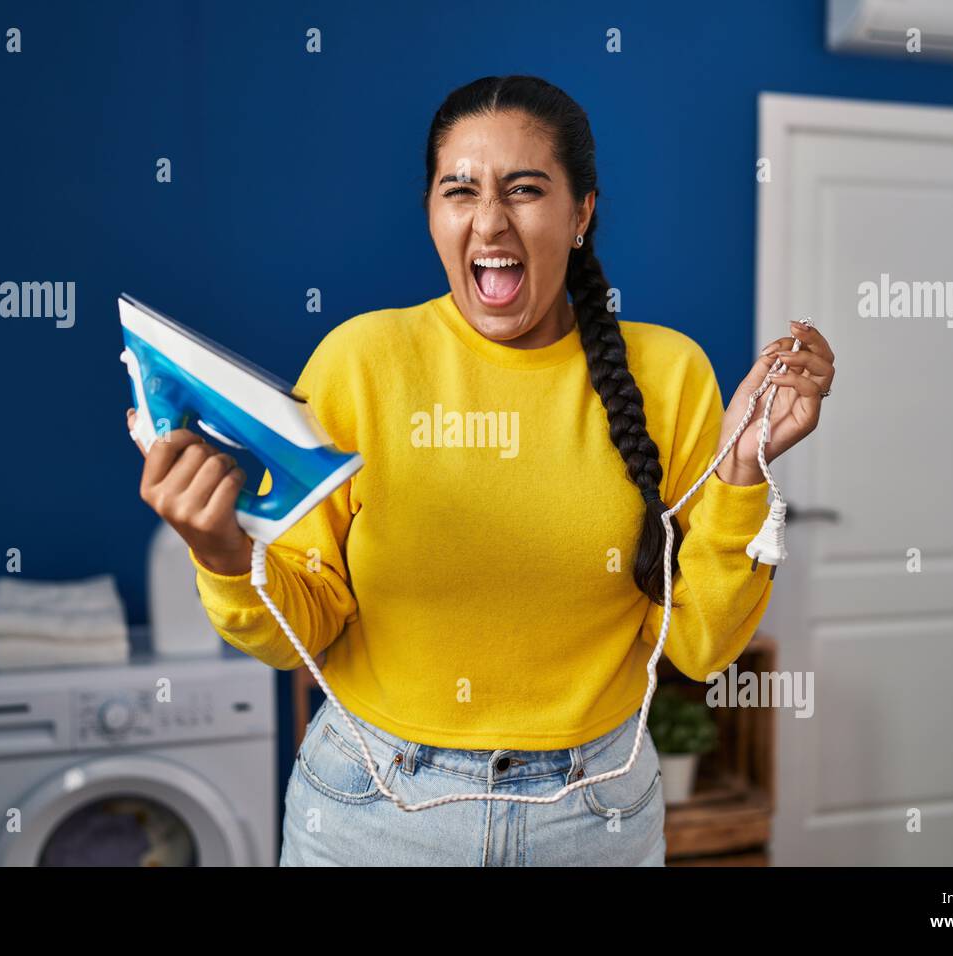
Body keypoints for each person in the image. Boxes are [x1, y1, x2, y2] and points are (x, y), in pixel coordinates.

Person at [126, 75, 836, 866]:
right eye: (458, 189)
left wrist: (742, 471)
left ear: (580, 215)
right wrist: (221, 550)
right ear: (431, 211)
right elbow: (302, 630)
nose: (490, 220)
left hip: (593, 814)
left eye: (525, 189)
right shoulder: (361, 361)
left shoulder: (669, 375)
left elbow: (701, 646)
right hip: (374, 811)